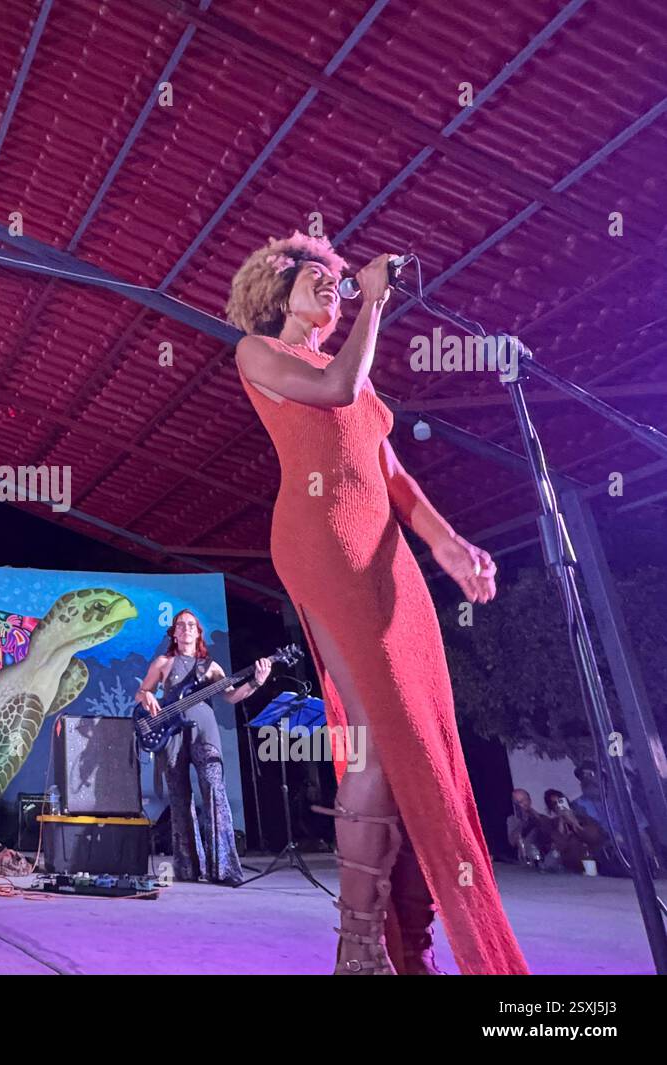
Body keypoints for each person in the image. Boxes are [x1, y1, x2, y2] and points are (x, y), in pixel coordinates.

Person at [228, 232, 528, 975]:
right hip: (323, 538)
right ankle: (361, 951)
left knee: (416, 745)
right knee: (372, 731)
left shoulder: (352, 371)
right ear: (277, 292)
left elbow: (395, 479)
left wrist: (451, 546)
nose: (333, 287)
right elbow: (333, 394)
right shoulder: (260, 354)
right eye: (317, 279)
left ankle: (411, 946)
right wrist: (377, 300)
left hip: (388, 552)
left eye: (339, 283)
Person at [135, 610, 271, 886]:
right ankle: (188, 868)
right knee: (179, 799)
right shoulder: (163, 662)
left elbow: (231, 697)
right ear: (174, 632)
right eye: (180, 625)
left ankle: (223, 868)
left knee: (214, 792)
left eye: (191, 625)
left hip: (205, 734)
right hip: (172, 734)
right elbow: (142, 693)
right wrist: (146, 694)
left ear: (198, 632)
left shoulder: (210, 667)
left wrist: (256, 682)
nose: (185, 628)